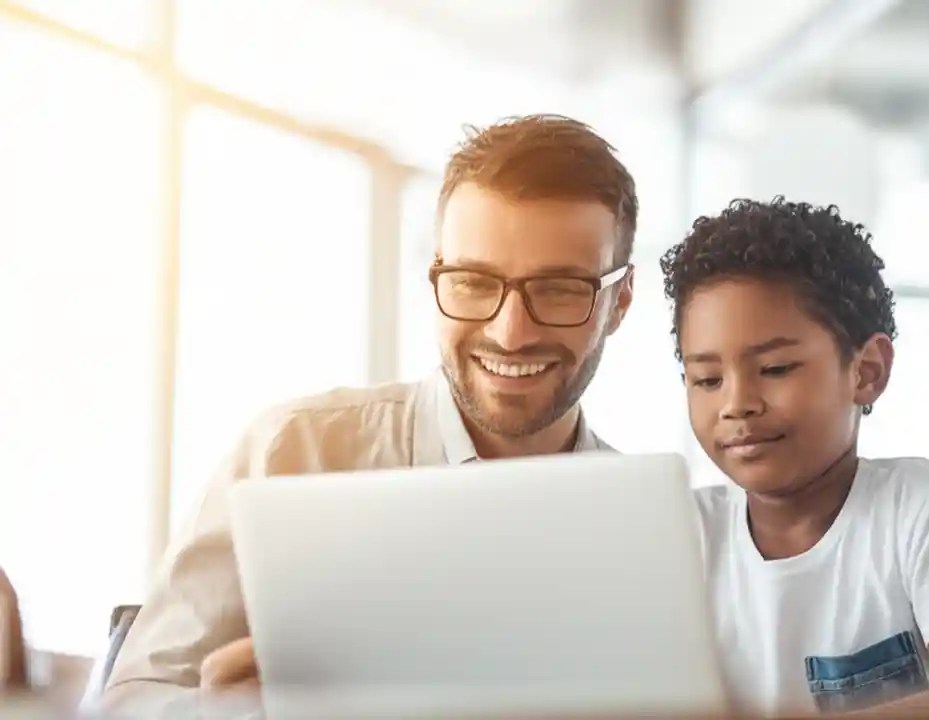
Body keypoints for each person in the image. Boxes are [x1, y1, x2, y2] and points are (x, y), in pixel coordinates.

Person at [102, 114, 638, 714]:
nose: (510, 332)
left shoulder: (652, 533)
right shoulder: (292, 454)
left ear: (619, 302)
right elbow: (130, 701)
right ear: (434, 276)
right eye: (473, 282)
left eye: (560, 289)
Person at [660, 198, 929, 717]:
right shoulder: (678, 537)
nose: (736, 403)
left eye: (776, 368)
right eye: (707, 379)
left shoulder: (918, 506)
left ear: (867, 371)